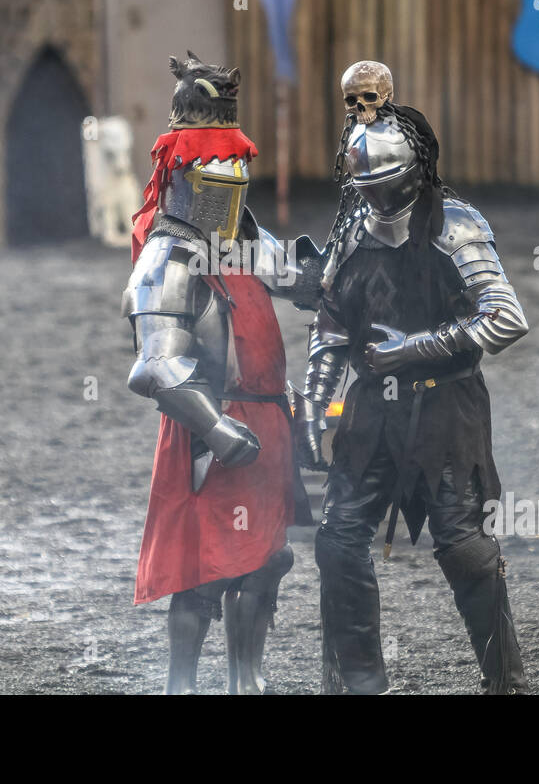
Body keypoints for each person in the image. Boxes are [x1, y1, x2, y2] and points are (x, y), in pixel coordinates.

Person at [294, 60, 531, 694]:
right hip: (373, 413)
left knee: (463, 547)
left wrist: (418, 349)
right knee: (338, 539)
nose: (373, 196)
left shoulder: (457, 225)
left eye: (384, 183)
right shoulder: (351, 231)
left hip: (444, 410)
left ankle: (504, 683)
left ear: (414, 171)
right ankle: (359, 684)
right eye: (362, 185)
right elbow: (333, 326)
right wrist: (316, 401)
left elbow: (507, 318)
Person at [122, 52, 321, 693]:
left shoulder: (242, 239)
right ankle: (181, 686)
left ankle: (247, 682)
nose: (230, 178)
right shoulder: (165, 256)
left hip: (266, 418)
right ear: (184, 172)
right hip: (211, 430)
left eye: (236, 164)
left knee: (267, 561)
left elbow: (304, 281)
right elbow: (155, 367)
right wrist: (217, 430)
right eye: (215, 166)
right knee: (203, 571)